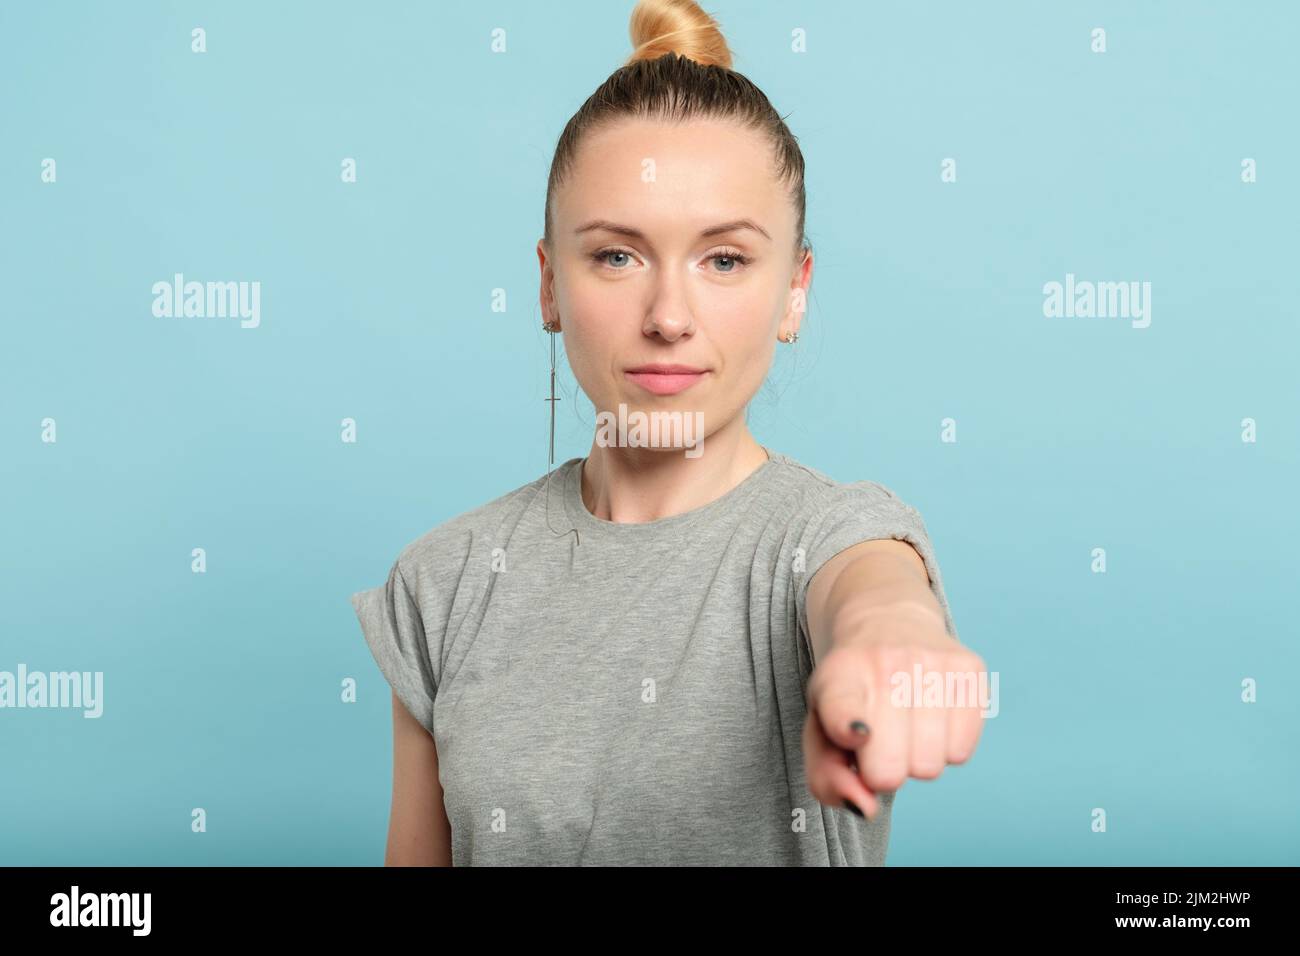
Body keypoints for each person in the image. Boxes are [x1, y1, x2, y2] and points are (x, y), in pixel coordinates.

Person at [350, 0, 986, 866]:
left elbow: (873, 596)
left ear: (794, 292)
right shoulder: (443, 583)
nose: (668, 317)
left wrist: (892, 640)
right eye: (617, 255)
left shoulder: (833, 537)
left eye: (724, 259)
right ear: (548, 286)